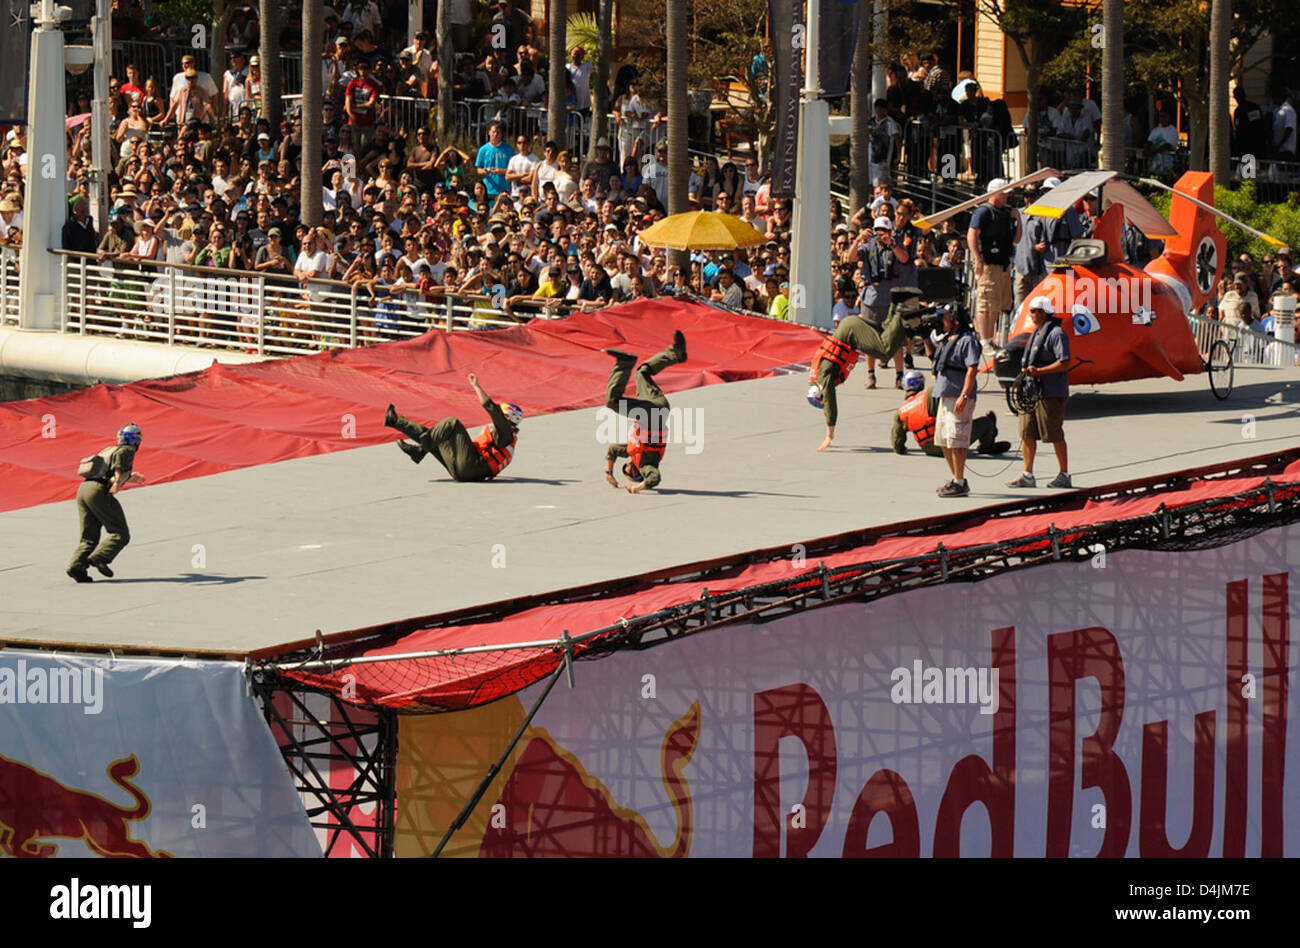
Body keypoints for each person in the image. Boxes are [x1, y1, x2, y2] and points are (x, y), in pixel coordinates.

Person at [809, 286, 924, 452]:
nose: (825, 397)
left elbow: (830, 405)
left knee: (884, 352)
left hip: (851, 332)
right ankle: (898, 301)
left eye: (822, 399)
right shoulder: (815, 376)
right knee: (885, 332)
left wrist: (830, 434)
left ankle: (899, 312)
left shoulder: (822, 378)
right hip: (851, 325)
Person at [383, 374, 523, 481]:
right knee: (435, 436)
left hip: (471, 467)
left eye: (503, 414)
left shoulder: (506, 434)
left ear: (508, 418)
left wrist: (476, 386)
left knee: (452, 423)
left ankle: (420, 451)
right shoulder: (506, 437)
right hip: (464, 470)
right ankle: (394, 421)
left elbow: (492, 409)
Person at [602, 331, 687, 493]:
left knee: (642, 373)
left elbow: (613, 450)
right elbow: (654, 478)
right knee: (612, 402)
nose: (626, 466)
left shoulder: (631, 451)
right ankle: (624, 362)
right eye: (627, 471)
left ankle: (674, 353)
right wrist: (637, 488)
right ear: (636, 473)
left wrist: (609, 472)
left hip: (658, 406)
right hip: (651, 414)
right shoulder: (646, 465)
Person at [67, 423, 147, 583]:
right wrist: (117, 484)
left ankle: (77, 566)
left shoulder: (108, 450)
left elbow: (106, 471)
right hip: (98, 491)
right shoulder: (127, 450)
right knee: (120, 533)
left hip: (84, 489)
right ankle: (100, 557)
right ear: (135, 440)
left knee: (89, 536)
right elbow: (117, 469)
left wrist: (131, 477)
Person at [1007, 296, 1073, 489]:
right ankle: (1028, 474)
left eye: (1035, 311)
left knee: (1054, 433)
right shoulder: (1036, 332)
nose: (1032, 315)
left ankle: (1064, 474)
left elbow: (1065, 362)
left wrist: (1040, 372)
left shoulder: (1057, 334)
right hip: (1032, 392)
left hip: (1050, 392)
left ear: (1044, 312)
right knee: (1026, 432)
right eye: (1031, 311)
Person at [926, 303, 983, 497]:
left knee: (957, 440)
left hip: (958, 395)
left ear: (956, 320)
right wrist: (925, 336)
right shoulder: (949, 339)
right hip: (945, 394)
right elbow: (932, 358)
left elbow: (972, 368)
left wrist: (965, 395)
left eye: (945, 317)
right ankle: (956, 478)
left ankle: (960, 481)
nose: (942, 321)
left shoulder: (968, 341)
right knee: (944, 441)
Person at [891, 367, 1009, 459]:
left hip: (927, 449)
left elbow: (897, 442)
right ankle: (986, 447)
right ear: (921, 384)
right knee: (986, 423)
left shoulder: (901, 411)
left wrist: (901, 449)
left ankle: (989, 435)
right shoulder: (930, 394)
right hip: (945, 442)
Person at [967, 178, 1020, 357]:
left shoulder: (1005, 213)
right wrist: (977, 258)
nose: (1007, 197)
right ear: (996, 194)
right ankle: (984, 340)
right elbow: (972, 234)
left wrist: (1018, 219)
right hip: (988, 263)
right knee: (986, 302)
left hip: (1003, 263)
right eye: (1004, 193)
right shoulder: (983, 212)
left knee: (997, 304)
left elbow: (1016, 239)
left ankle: (990, 339)